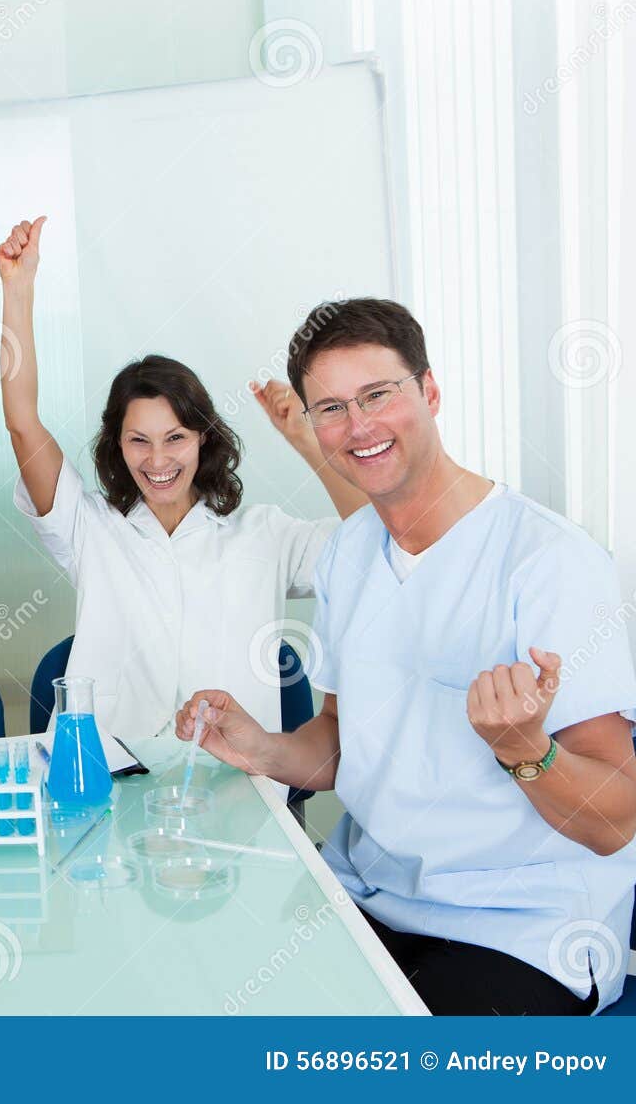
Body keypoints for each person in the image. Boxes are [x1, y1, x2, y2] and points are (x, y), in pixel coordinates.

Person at [174, 297, 636, 1014]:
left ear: (430, 391)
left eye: (378, 394)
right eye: (330, 407)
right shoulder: (350, 553)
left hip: (518, 928)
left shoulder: (550, 562)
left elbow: (613, 820)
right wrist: (263, 749)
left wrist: (525, 749)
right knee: (212, 1010)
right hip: (368, 896)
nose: (357, 426)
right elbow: (340, 745)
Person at [0, 216, 367, 741]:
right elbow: (21, 422)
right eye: (138, 440)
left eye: (175, 438)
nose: (157, 460)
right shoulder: (89, 527)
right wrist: (18, 288)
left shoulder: (266, 534)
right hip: (109, 782)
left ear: (202, 440)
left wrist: (309, 440)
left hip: (234, 786)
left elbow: (372, 538)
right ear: (116, 446)